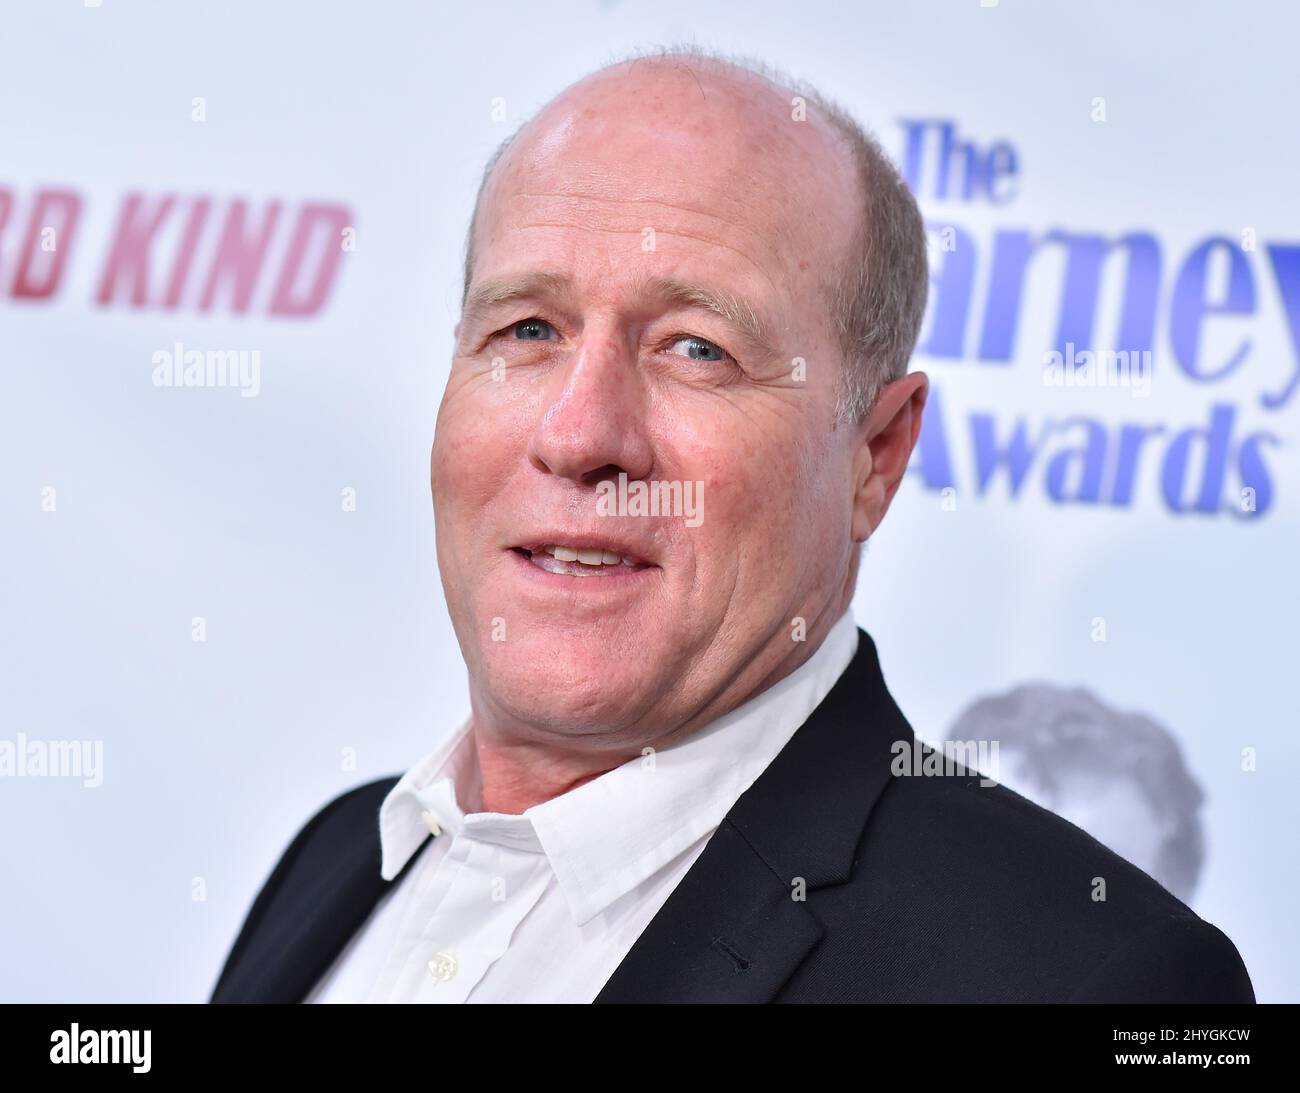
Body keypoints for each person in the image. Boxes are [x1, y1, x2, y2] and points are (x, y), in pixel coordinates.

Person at [210, 46, 1253, 1003]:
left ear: (874, 456)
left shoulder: (1082, 976)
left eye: (696, 348)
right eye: (526, 328)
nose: (579, 436)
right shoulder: (338, 855)